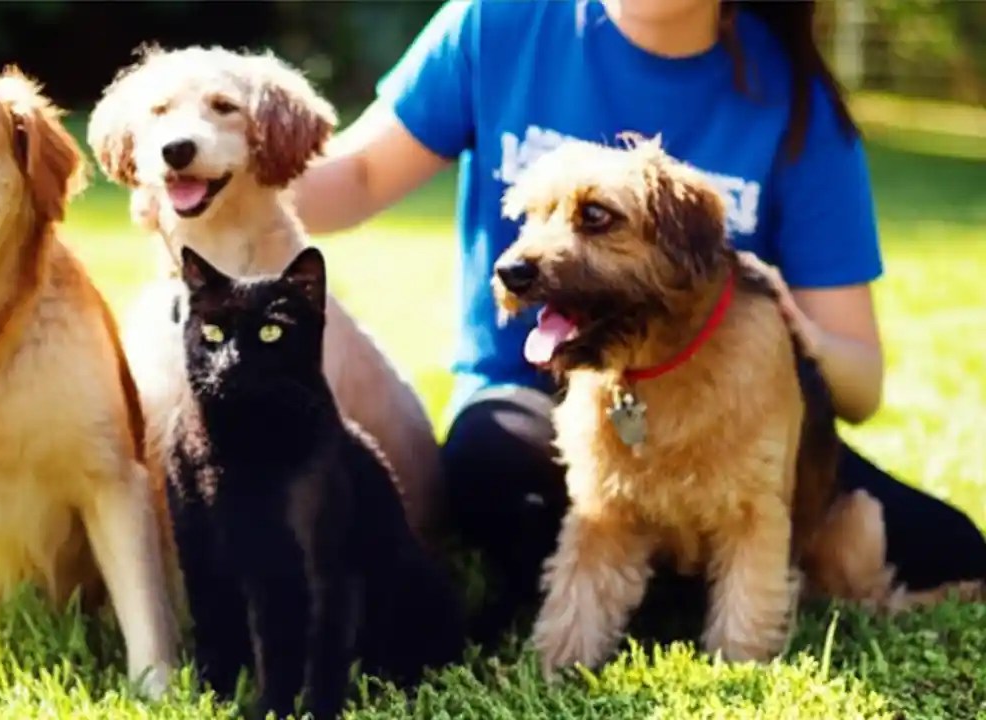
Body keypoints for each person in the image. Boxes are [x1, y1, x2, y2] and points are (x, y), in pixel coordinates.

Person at [286, 0, 986, 644]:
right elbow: (358, 176)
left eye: (594, 219)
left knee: (952, 549)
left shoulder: (799, 105)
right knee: (496, 466)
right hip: (547, 398)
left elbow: (860, 386)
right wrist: (236, 176)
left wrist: (796, 325)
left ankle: (706, 585)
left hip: (742, 409)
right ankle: (650, 590)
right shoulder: (500, 22)